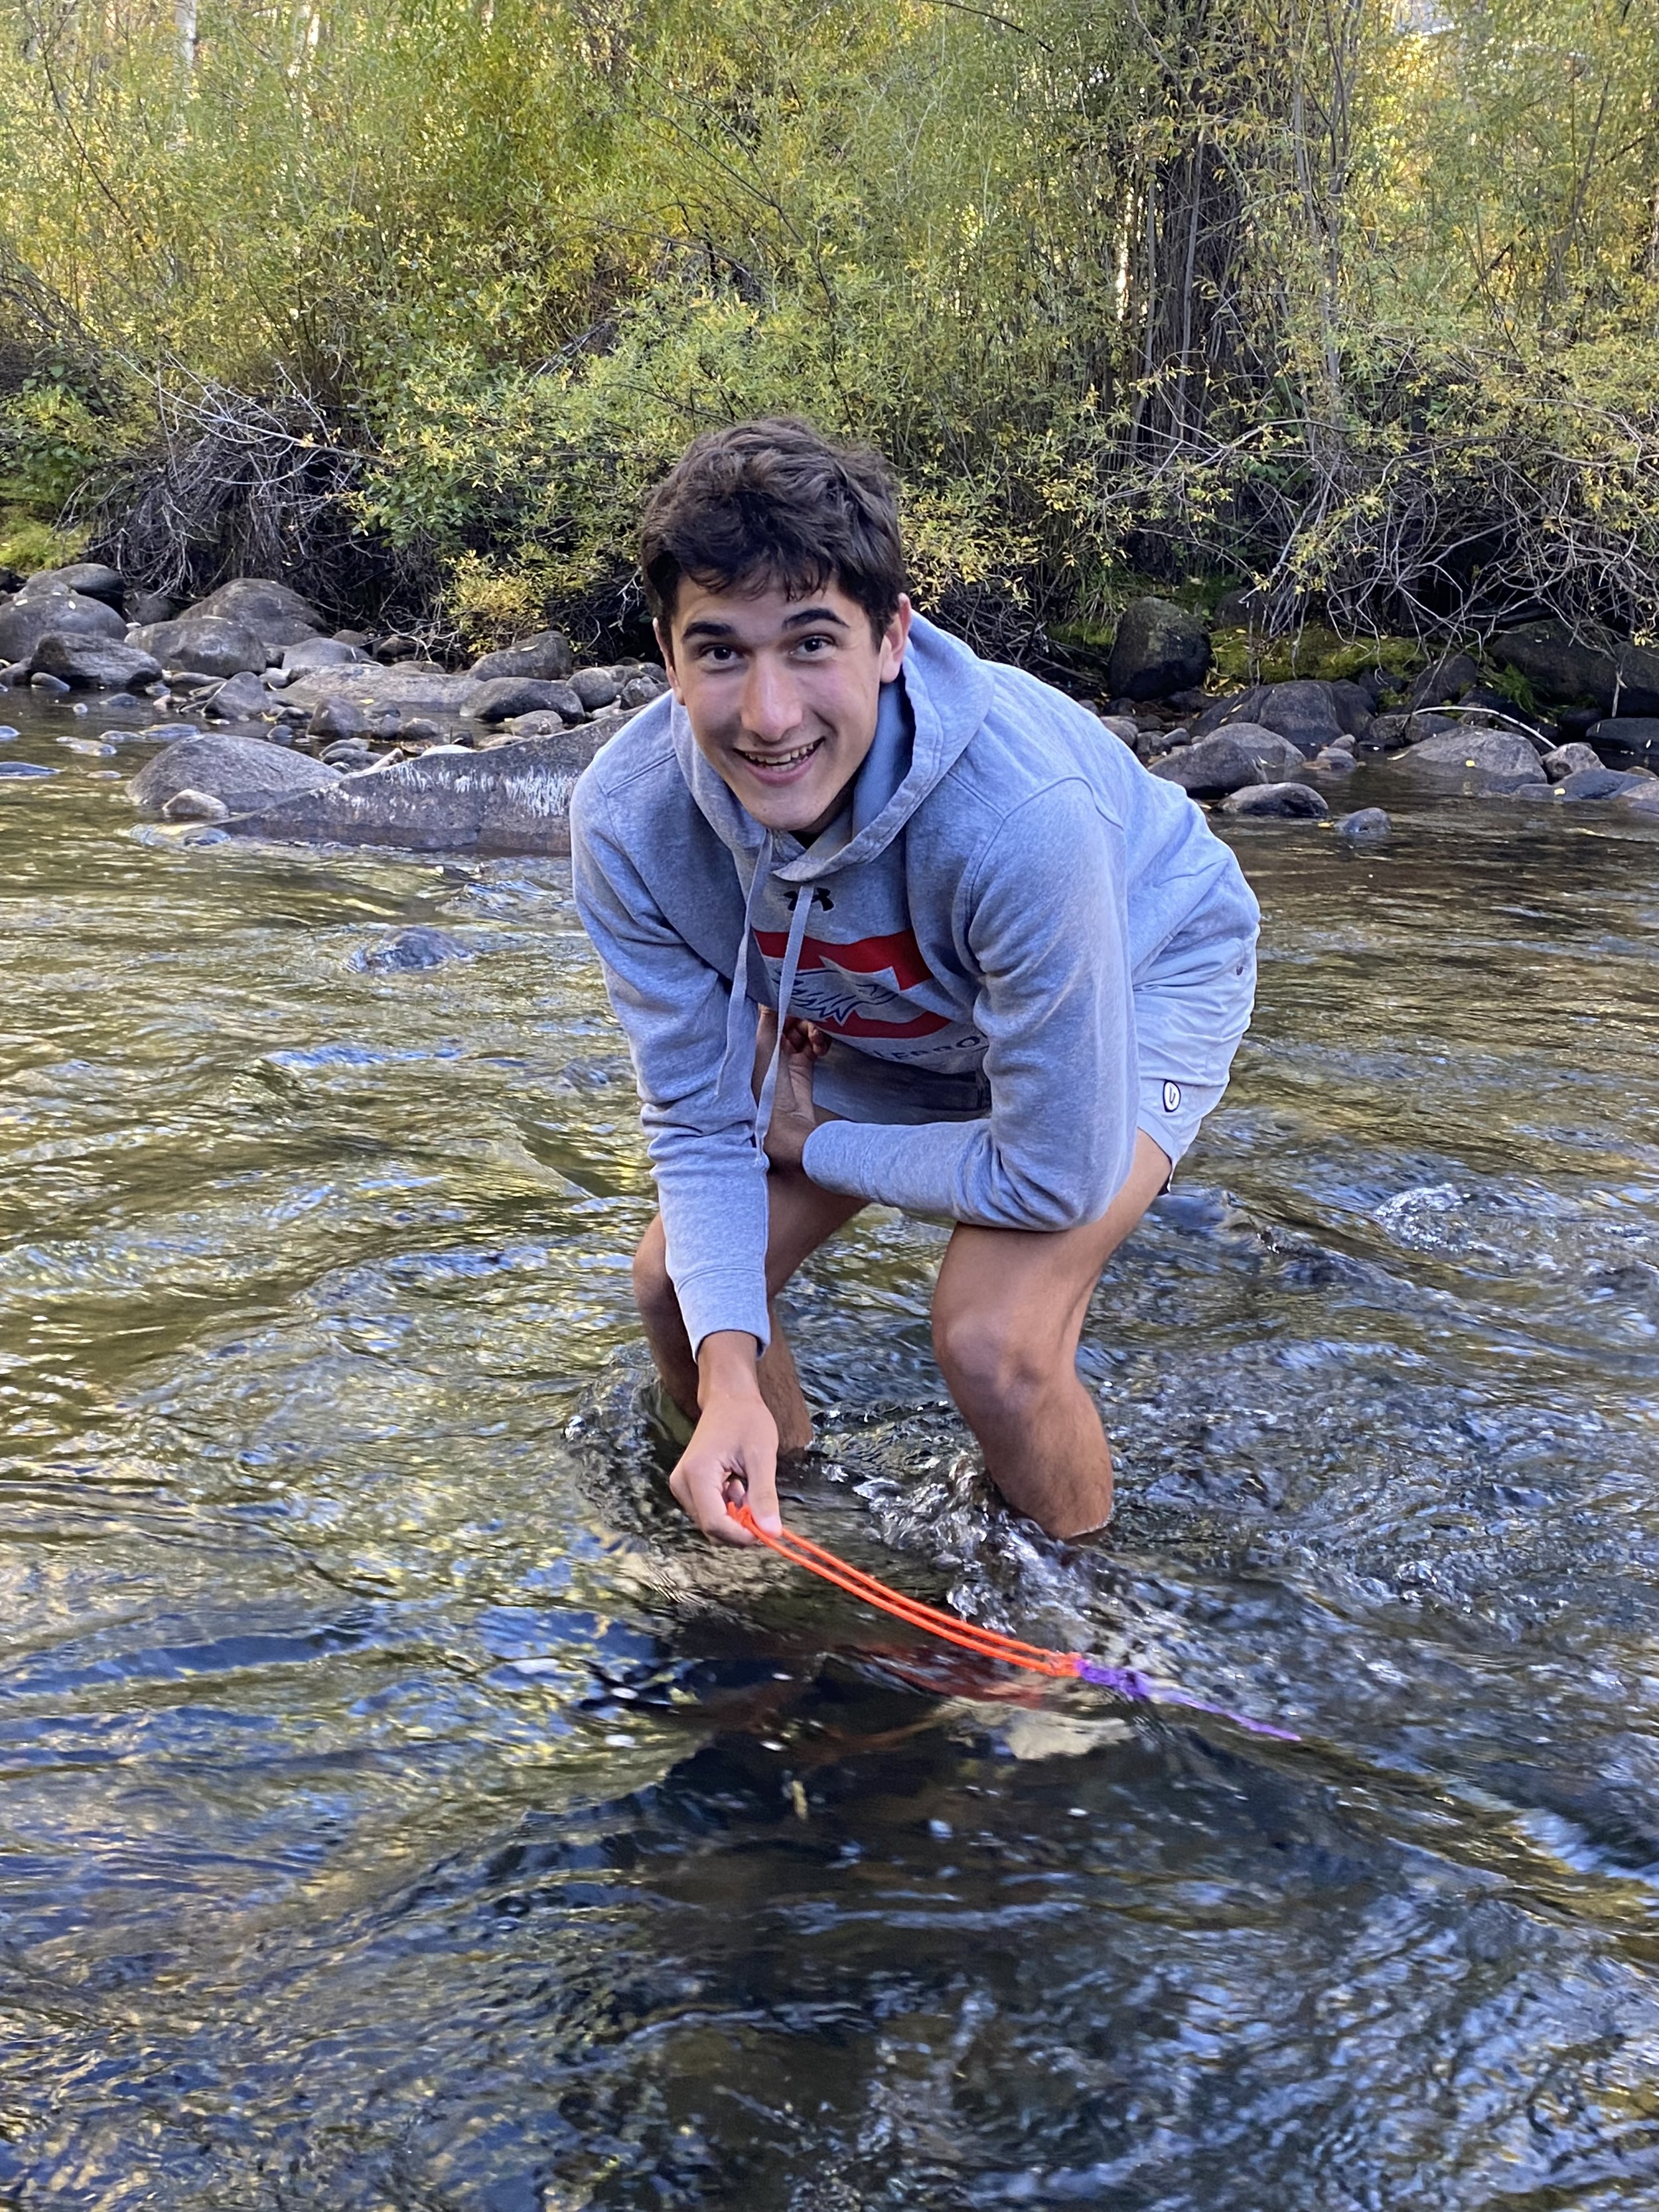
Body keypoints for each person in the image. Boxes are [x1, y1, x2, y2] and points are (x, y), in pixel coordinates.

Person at [570, 417, 1258, 1549]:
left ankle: (1079, 1620)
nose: (769, 715)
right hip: (902, 1011)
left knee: (995, 1339)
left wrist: (808, 1143)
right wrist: (730, 1374)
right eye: (722, 651)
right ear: (667, 653)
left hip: (1141, 967)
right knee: (678, 1293)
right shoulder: (631, 822)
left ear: (893, 637)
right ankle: (782, 1527)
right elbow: (696, 1121)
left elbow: (1046, 1178)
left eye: (809, 644)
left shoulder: (1019, 821)